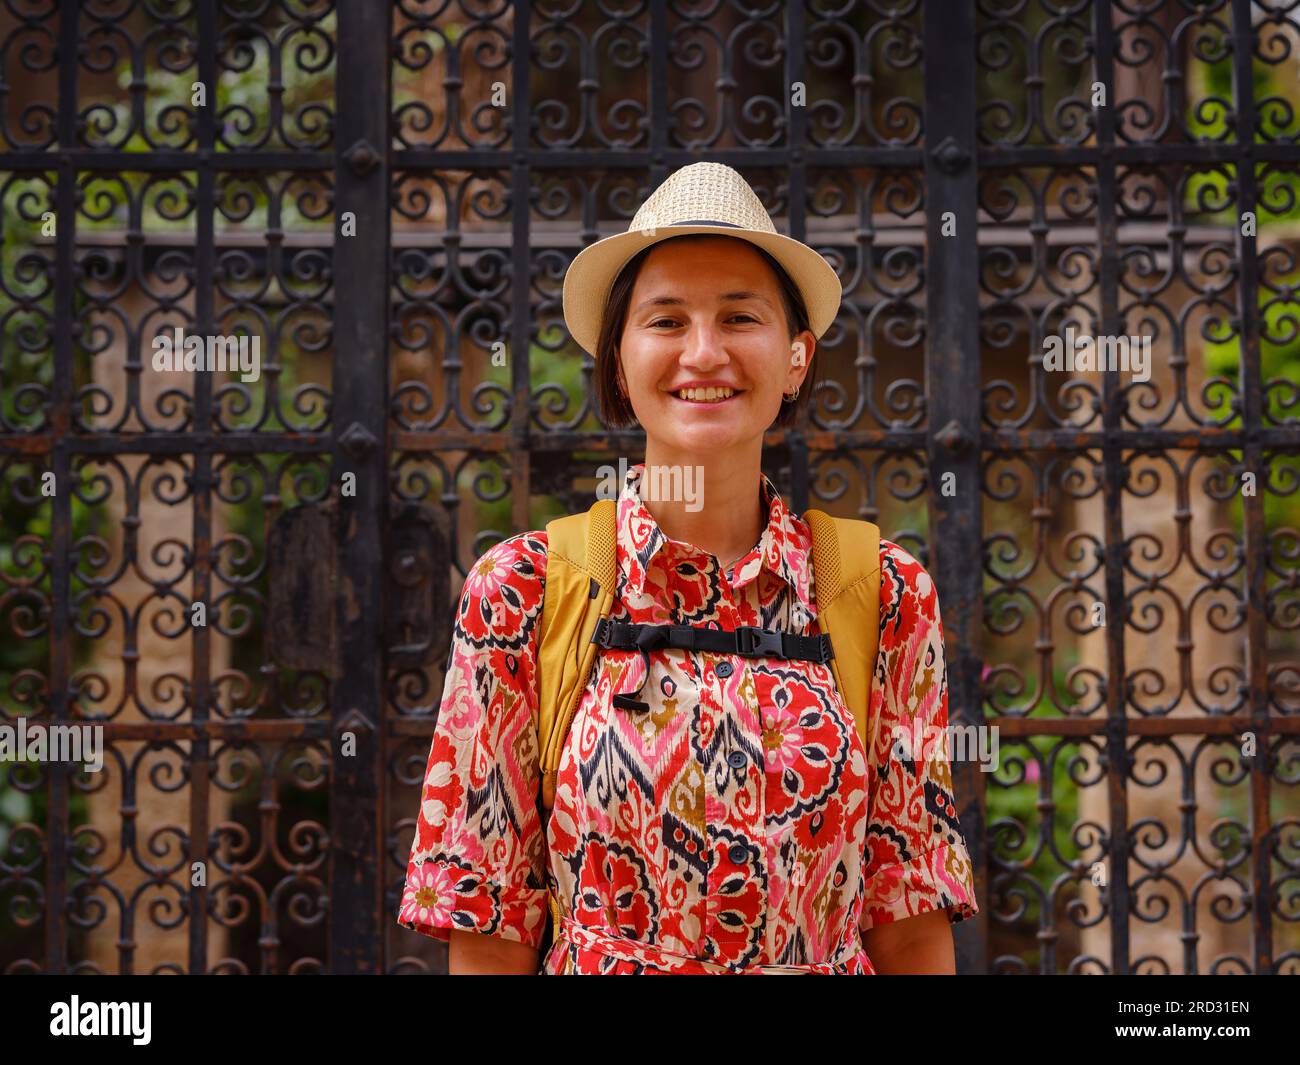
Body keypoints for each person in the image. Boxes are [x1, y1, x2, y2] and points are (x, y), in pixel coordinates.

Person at [396, 161, 978, 974]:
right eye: (666, 321)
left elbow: (909, 920)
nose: (704, 353)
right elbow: (488, 925)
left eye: (740, 317)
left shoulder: (878, 592)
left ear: (798, 358)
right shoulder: (525, 591)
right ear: (620, 362)